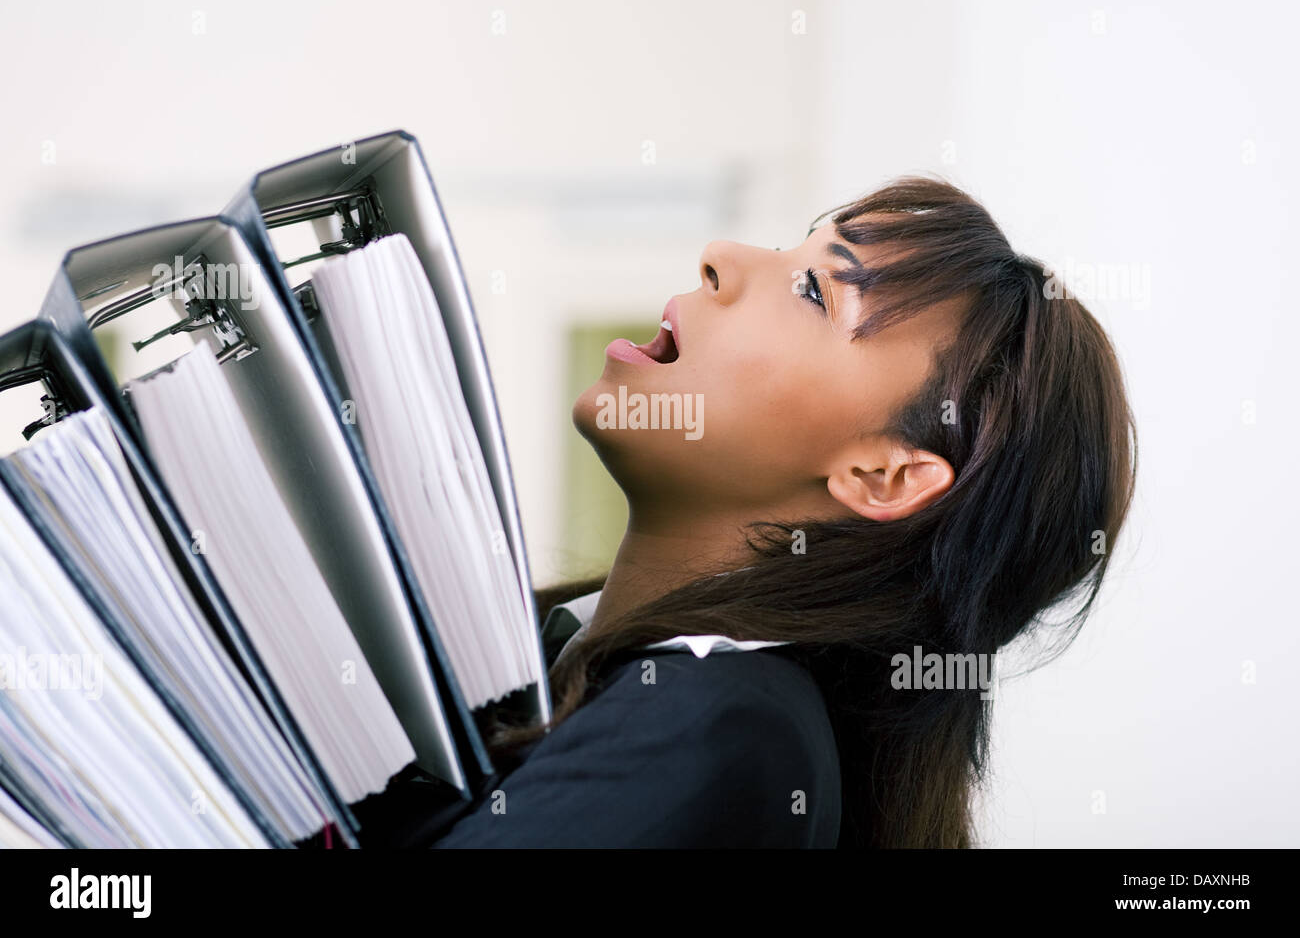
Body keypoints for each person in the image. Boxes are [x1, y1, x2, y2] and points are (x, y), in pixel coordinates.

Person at [431, 176, 1137, 848]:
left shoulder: (719, 726)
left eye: (813, 291)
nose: (722, 257)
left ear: (882, 476)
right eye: (793, 248)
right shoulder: (547, 649)